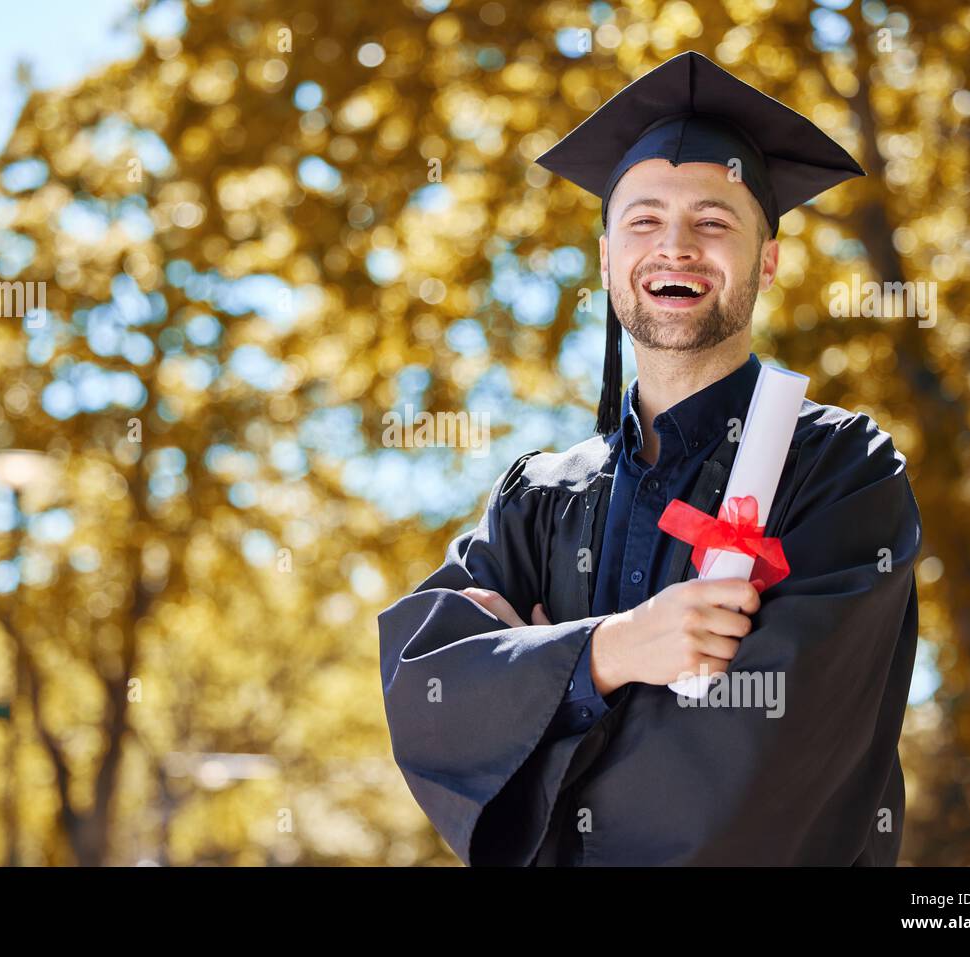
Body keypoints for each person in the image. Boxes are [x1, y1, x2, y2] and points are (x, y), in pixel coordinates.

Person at [378, 51, 922, 866]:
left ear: (767, 260)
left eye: (713, 221)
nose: (675, 246)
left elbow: (761, 770)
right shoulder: (540, 499)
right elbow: (425, 688)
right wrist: (612, 650)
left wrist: (539, 678)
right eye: (642, 220)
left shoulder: (842, 472)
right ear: (604, 260)